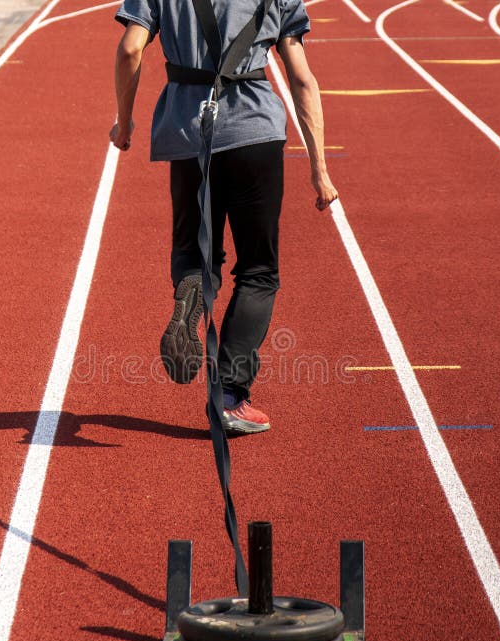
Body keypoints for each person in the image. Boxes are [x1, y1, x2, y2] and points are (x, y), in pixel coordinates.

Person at [111, 0, 337, 434]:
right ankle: (230, 396)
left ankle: (192, 285)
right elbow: (302, 79)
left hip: (187, 134)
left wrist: (125, 124)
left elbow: (129, 51)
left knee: (195, 254)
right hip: (255, 132)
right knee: (258, 271)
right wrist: (319, 168)